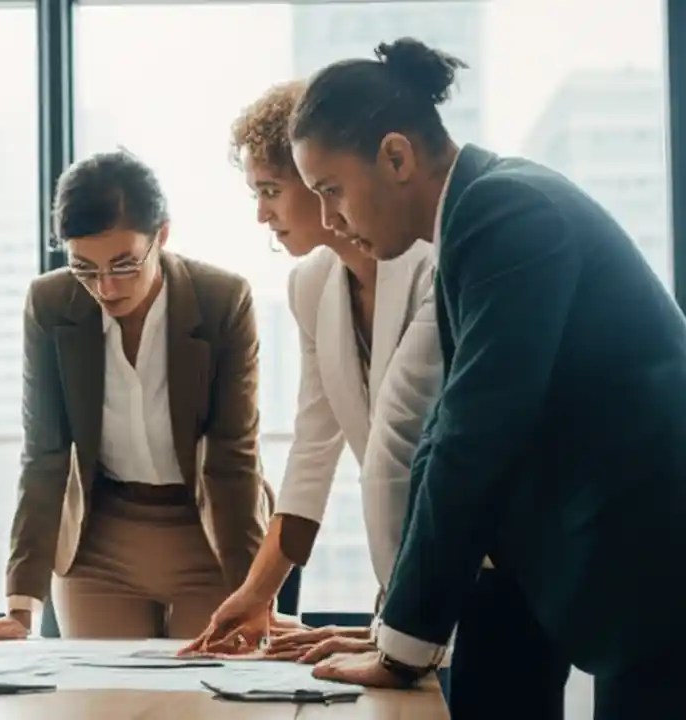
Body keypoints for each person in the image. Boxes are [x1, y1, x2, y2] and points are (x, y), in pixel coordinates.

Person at [283, 38, 686, 720]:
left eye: (331, 191)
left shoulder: (507, 214)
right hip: (587, 551)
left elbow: (475, 435)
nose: (329, 221)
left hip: (654, 566)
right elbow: (447, 435)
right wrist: (398, 628)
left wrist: (402, 644)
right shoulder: (478, 214)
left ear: (396, 156)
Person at [0, 149, 272, 642]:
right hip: (100, 543)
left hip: (208, 535)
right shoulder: (51, 304)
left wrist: (253, 591)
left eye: (124, 264)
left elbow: (234, 458)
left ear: (163, 237)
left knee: (206, 703)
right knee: (100, 702)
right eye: (84, 267)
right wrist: (21, 608)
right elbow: (44, 455)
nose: (106, 287)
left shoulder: (221, 300)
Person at [181, 80, 442, 665]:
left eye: (271, 190)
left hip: (481, 559)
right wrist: (257, 592)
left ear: (321, 179)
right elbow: (313, 453)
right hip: (406, 571)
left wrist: (390, 624)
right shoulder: (311, 285)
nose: (261, 214)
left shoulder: (432, 266)